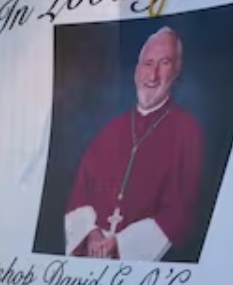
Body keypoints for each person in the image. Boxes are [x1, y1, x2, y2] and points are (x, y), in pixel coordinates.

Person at [63, 26, 204, 262]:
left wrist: (121, 244)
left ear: (177, 71)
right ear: (136, 71)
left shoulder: (187, 131)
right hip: (91, 264)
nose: (153, 76)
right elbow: (79, 195)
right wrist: (92, 233)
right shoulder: (110, 131)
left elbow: (182, 212)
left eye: (165, 63)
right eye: (148, 64)